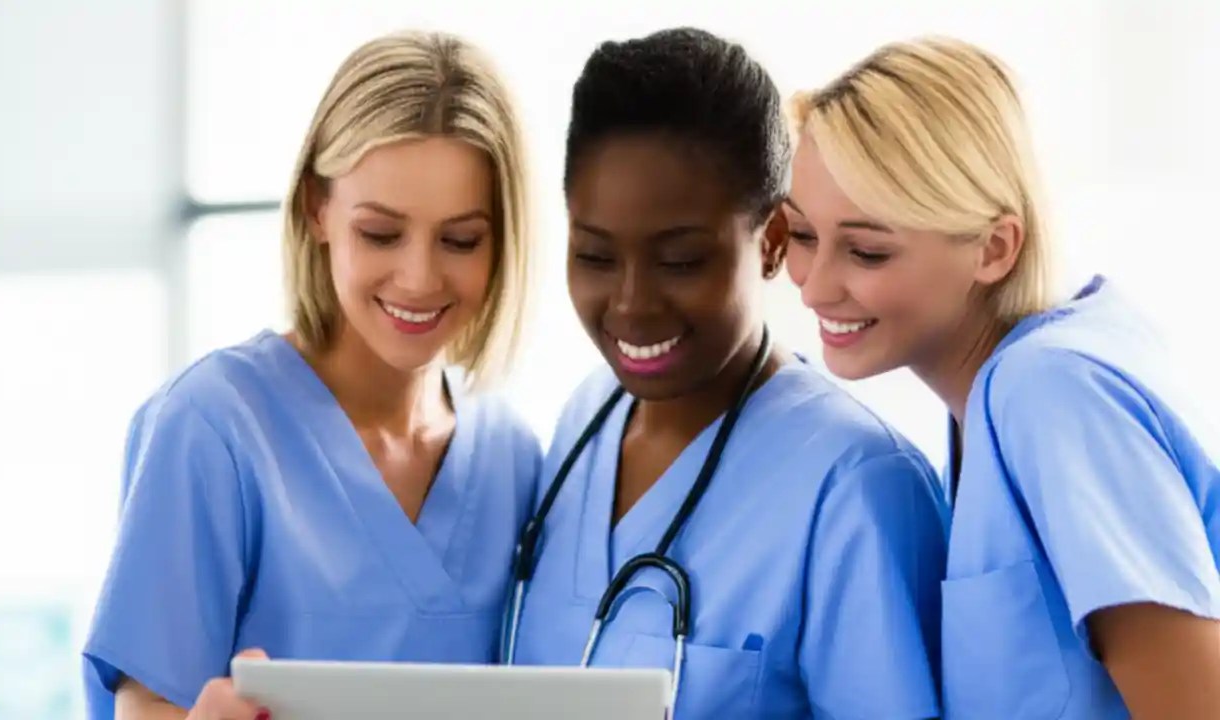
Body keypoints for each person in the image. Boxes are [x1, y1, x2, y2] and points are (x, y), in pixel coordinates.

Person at [82, 30, 541, 719]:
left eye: (460, 240)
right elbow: (146, 703)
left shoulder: (514, 456)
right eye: (380, 234)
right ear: (315, 209)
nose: (418, 279)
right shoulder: (211, 428)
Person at [506, 28, 949, 720]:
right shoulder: (583, 423)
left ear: (771, 242)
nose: (630, 304)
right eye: (595, 256)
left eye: (680, 261)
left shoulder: (858, 489)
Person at [783, 35, 1220, 719]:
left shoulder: (1053, 392)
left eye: (866, 251)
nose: (813, 288)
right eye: (801, 236)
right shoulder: (994, 400)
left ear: (993, 248)